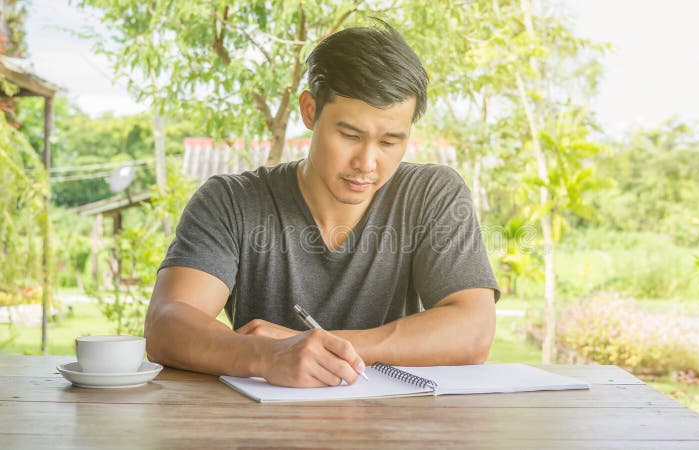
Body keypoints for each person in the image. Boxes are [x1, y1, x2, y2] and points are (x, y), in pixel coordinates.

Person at [144, 23, 500, 388]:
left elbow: (473, 331)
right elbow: (166, 324)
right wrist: (266, 356)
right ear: (310, 110)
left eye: (390, 142)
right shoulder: (231, 201)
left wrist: (319, 346)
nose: (367, 162)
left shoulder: (431, 195)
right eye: (350, 135)